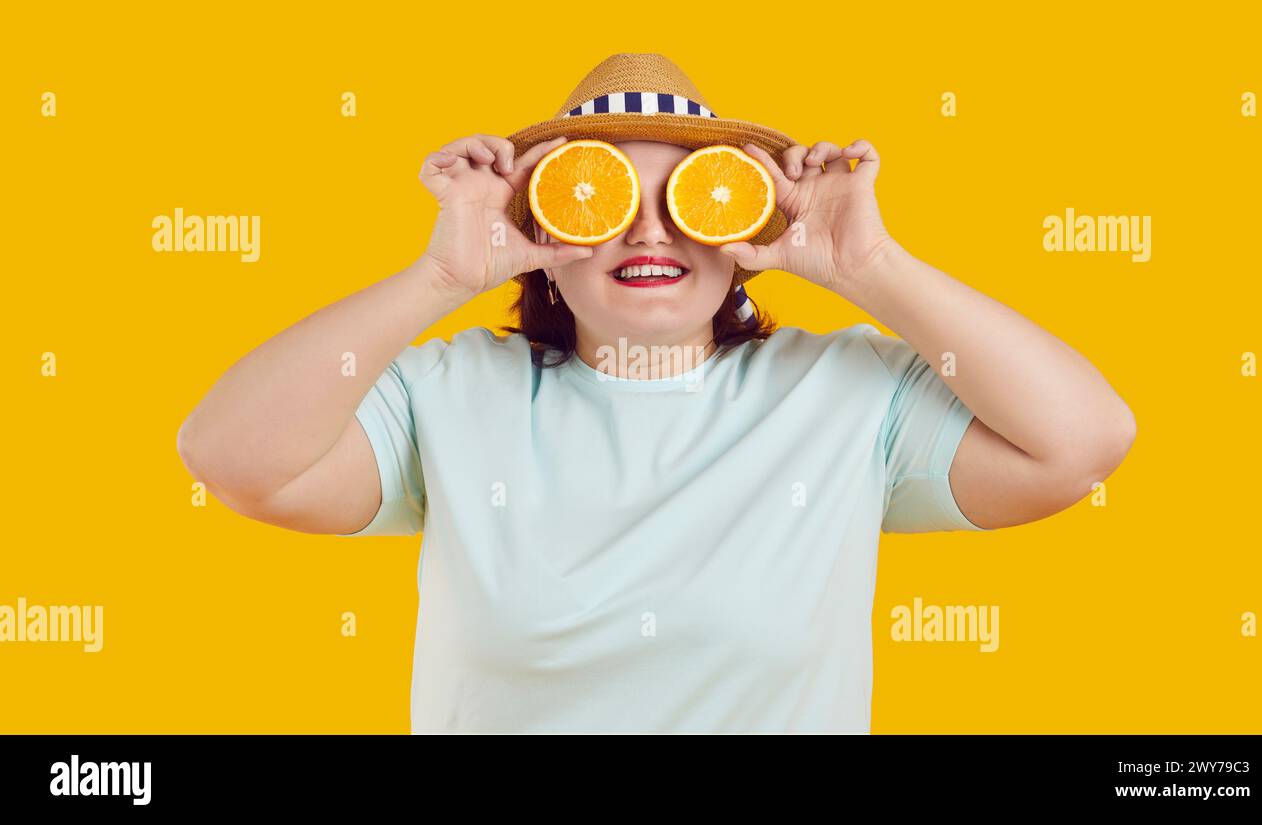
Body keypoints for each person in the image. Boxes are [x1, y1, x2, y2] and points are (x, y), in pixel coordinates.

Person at [177, 54, 1136, 733]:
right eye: (599, 199)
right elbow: (231, 457)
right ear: (546, 244)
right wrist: (438, 279)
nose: (649, 235)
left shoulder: (844, 394)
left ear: (744, 228)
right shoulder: (453, 394)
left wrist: (869, 266)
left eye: (691, 198)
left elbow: (1083, 440)